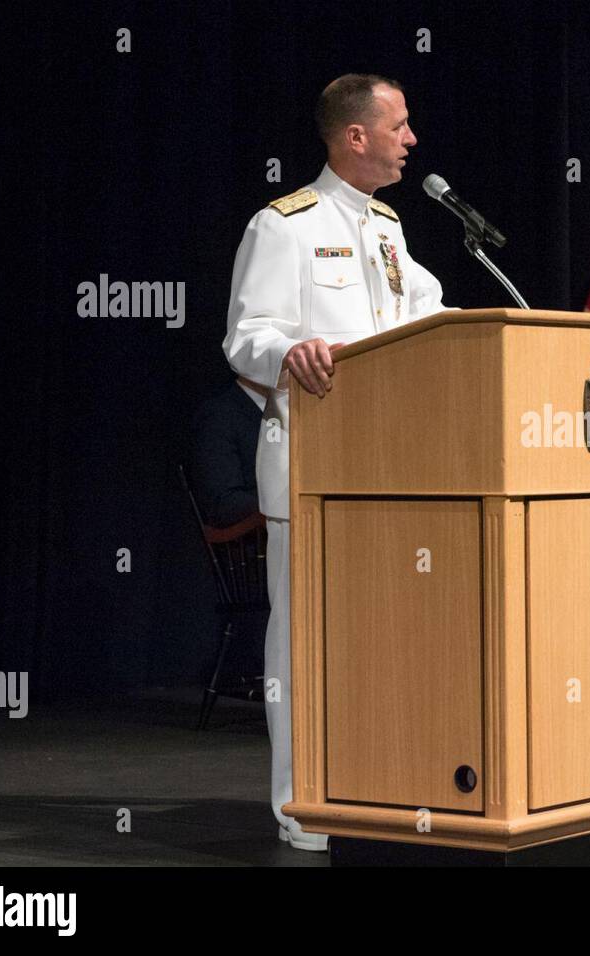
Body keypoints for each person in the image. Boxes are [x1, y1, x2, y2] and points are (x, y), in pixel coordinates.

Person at [222, 74, 451, 850]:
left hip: (392, 471)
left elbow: (426, 317)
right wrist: (290, 346)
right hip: (313, 469)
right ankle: (302, 811)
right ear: (356, 136)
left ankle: (375, 789)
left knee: (383, 641)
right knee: (303, 645)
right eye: (400, 124)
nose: (411, 139)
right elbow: (244, 336)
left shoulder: (389, 228)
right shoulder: (283, 225)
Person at [189, 376, 269, 529]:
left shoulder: (293, 409)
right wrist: (287, 500)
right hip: (253, 541)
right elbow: (223, 503)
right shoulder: (218, 415)